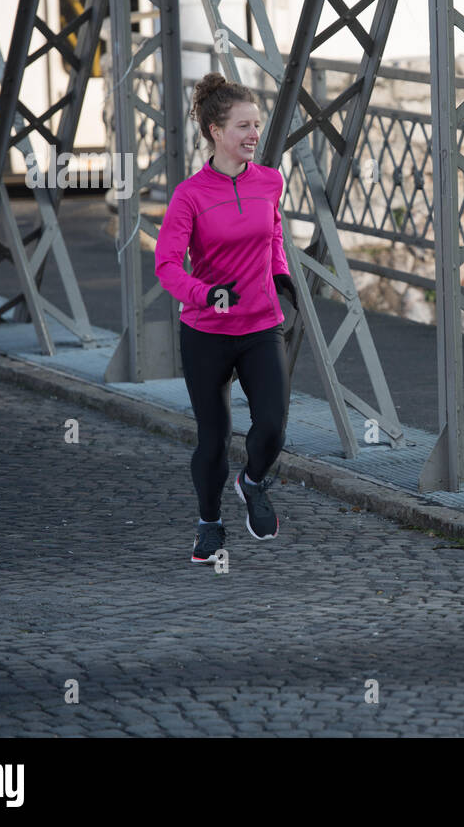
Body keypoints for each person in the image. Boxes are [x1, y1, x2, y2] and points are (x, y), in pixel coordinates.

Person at [154, 72, 299, 564]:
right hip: (206, 332)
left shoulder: (270, 181)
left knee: (274, 427)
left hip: (261, 324)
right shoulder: (190, 196)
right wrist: (203, 293)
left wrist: (279, 274)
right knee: (212, 439)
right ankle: (209, 524)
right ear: (216, 131)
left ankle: (254, 482)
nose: (254, 135)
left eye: (257, 125)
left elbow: (274, 234)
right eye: (243, 126)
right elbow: (167, 266)